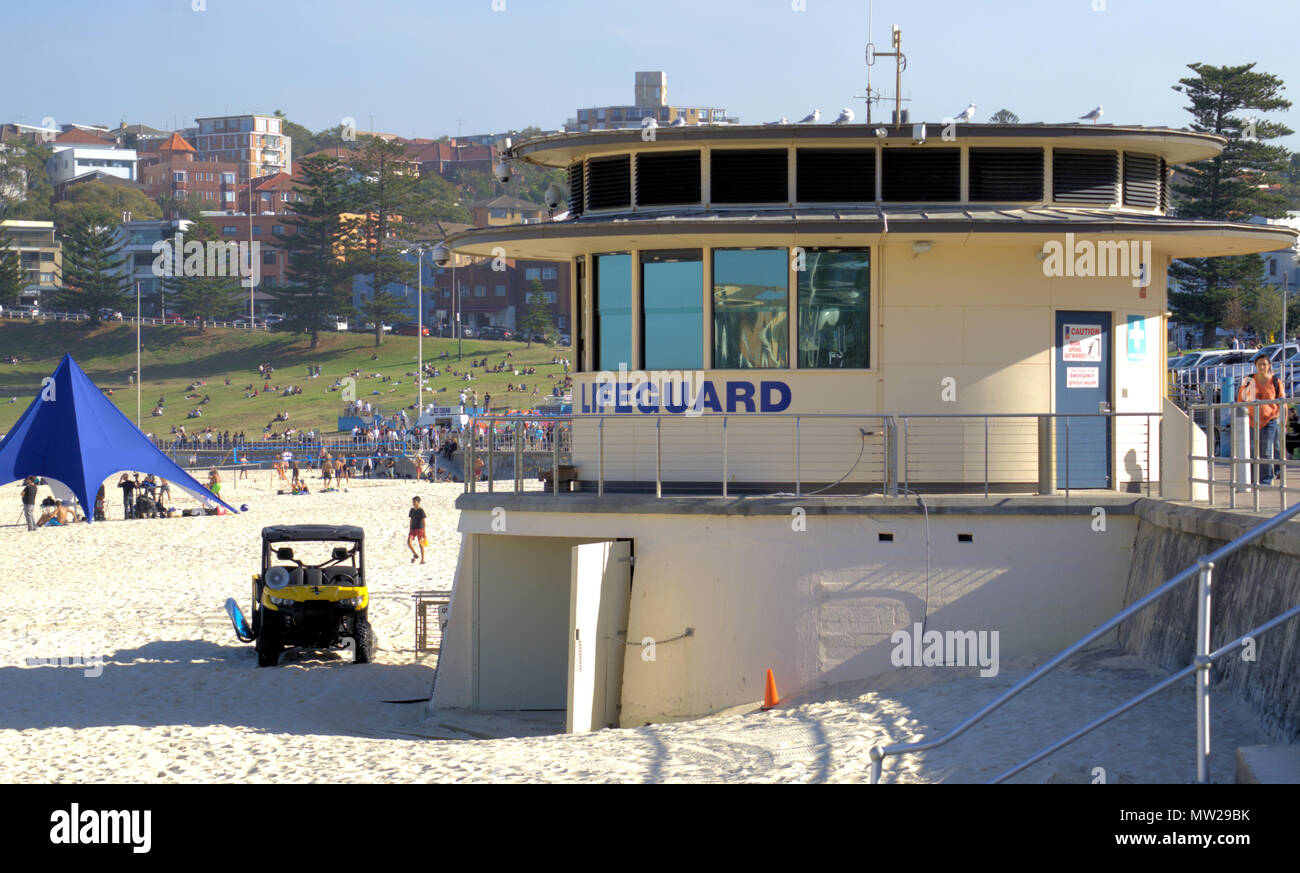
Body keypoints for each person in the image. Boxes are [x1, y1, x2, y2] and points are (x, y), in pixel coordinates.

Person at [1237, 353, 1286, 487]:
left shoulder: (1276, 381)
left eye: (1264, 364)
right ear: (1255, 366)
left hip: (1270, 420)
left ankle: (1265, 480)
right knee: (1252, 449)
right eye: (1259, 365)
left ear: (1269, 366)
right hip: (1251, 420)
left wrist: (1284, 421)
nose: (1262, 367)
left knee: (1266, 451)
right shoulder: (1249, 380)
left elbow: (1283, 402)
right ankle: (1253, 478)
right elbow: (1241, 399)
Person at [408, 496, 427, 564]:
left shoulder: (421, 510)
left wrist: (424, 533)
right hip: (413, 529)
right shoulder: (412, 510)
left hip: (420, 528)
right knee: (409, 542)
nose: (413, 503)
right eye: (413, 501)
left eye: (415, 501)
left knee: (420, 543)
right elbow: (411, 520)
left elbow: (424, 522)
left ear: (418, 502)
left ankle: (422, 560)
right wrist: (410, 529)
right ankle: (415, 554)